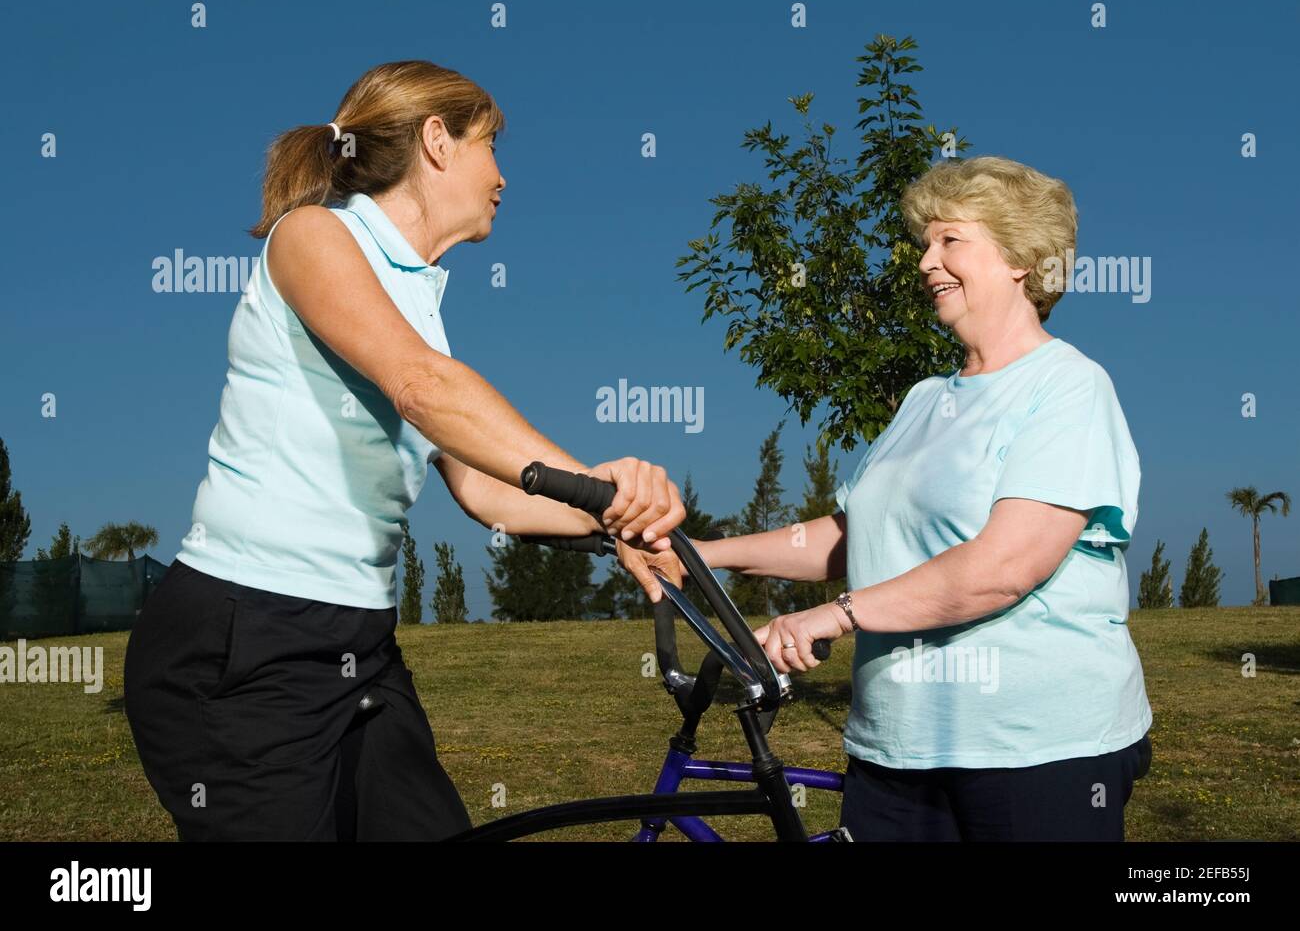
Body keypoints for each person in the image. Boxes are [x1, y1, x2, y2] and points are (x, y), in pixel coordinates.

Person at [124, 60, 685, 841]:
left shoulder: (420, 299)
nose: (503, 177)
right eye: (492, 146)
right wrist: (599, 483)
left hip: (357, 646)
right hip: (244, 640)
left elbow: (489, 490)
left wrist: (616, 523)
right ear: (438, 142)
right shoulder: (313, 235)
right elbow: (422, 387)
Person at [669, 156, 1152, 841]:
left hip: (1038, 751)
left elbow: (1004, 567)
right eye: (926, 244)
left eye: (950, 241)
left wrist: (832, 618)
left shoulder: (1069, 388)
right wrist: (699, 554)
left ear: (1021, 259)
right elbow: (851, 534)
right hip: (894, 750)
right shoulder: (926, 399)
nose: (926, 262)